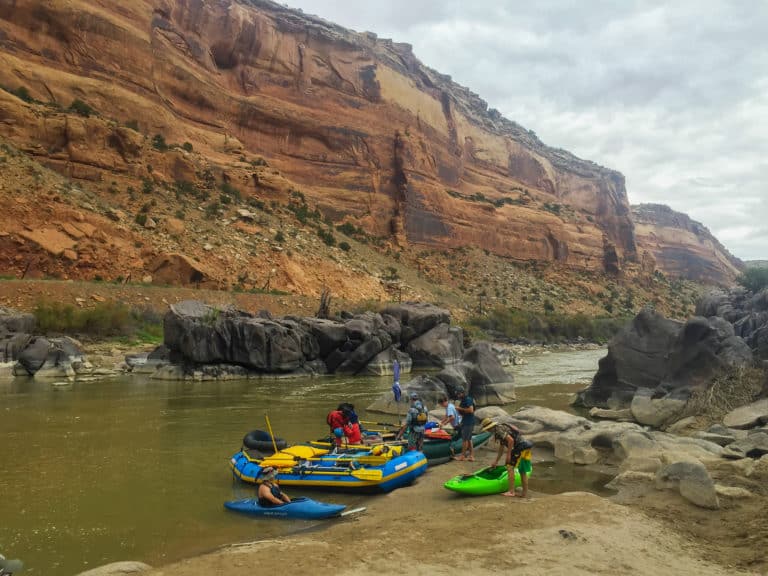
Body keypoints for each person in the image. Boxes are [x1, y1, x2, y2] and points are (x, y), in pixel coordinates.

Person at [482, 418, 532, 498]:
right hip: (526, 446)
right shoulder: (501, 428)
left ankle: (511, 491)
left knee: (509, 467)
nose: (487, 431)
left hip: (519, 447)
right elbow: (501, 448)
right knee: (522, 471)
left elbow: (511, 441)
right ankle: (524, 493)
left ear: (490, 427)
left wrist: (508, 454)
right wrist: (496, 461)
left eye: (487, 429)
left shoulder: (498, 430)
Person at [454, 387, 475, 461]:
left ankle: (462, 456)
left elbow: (471, 410)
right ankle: (471, 456)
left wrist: (459, 409)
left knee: (465, 440)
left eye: (458, 394)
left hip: (468, 422)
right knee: (469, 439)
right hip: (467, 421)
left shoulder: (468, 399)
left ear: (462, 393)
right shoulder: (464, 400)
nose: (458, 396)